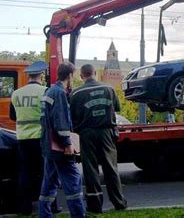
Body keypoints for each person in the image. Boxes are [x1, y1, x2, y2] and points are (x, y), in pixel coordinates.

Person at [70, 64, 127, 213]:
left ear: (81, 76)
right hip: (107, 132)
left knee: (90, 169)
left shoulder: (76, 93)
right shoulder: (109, 89)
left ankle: (95, 205)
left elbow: (73, 117)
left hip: (86, 134)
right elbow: (116, 108)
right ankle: (119, 202)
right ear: (95, 73)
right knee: (111, 168)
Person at [10, 61, 62, 215]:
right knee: (47, 173)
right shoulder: (46, 92)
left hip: (22, 137)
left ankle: (25, 207)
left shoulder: (16, 93)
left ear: (28, 76)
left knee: (25, 172)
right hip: (41, 138)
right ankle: (51, 206)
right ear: (41, 75)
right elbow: (53, 115)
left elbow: (12, 116)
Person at [39, 62, 85, 218]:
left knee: (49, 183)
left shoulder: (49, 91)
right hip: (59, 147)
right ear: (70, 75)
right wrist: (67, 143)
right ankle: (78, 215)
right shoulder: (59, 93)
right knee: (73, 180)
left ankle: (44, 214)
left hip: (48, 145)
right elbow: (61, 121)